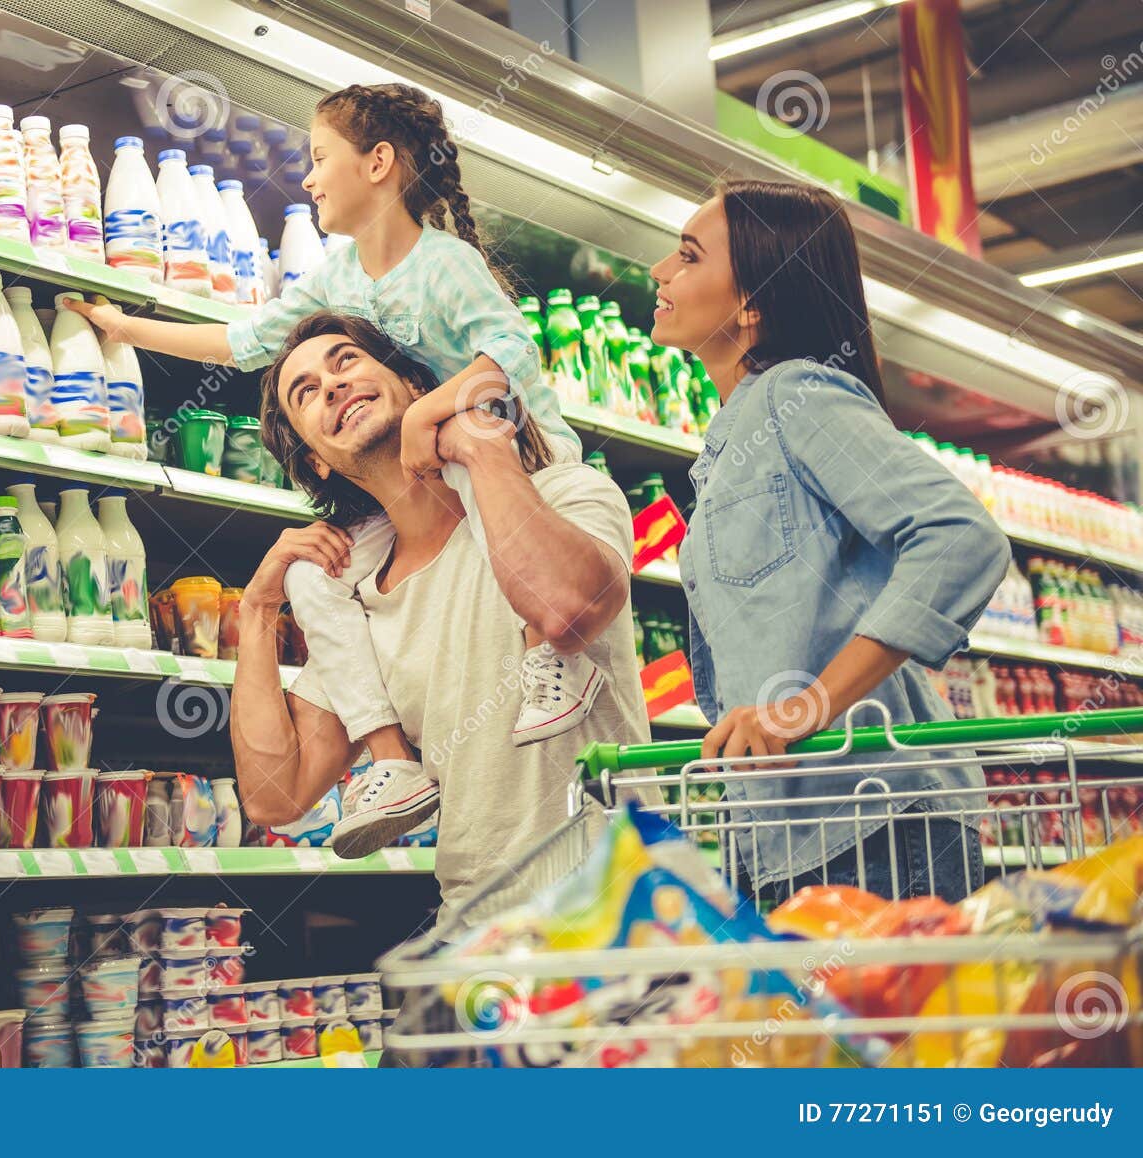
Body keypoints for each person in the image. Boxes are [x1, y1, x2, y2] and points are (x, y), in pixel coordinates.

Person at [78, 82, 599, 857]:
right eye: (307, 392)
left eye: (320, 159)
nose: (310, 179)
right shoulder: (337, 277)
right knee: (313, 576)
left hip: (511, 447)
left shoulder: (446, 265)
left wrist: (427, 413)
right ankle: (389, 759)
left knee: (483, 490)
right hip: (426, 469)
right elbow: (247, 342)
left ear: (380, 163)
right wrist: (126, 327)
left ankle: (551, 660)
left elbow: (516, 358)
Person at [647, 179, 1012, 903]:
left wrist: (803, 709)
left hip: (875, 820)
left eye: (688, 256)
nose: (661, 270)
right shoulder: (730, 440)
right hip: (793, 828)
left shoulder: (797, 395)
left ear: (753, 304)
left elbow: (959, 536)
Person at [230, 311, 650, 909]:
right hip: (479, 935)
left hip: (622, 914)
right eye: (305, 393)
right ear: (317, 459)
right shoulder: (356, 605)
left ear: (418, 386)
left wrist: (477, 447)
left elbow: (566, 613)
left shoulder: (563, 494)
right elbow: (276, 796)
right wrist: (258, 610)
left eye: (345, 360)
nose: (330, 384)